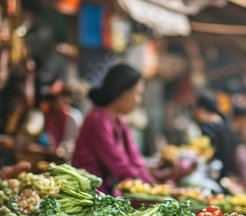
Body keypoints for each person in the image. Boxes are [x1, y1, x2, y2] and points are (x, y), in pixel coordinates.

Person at [72, 63, 172, 194]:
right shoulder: (97, 120)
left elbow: (136, 161)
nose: (139, 100)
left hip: (106, 193)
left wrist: (155, 187)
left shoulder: (119, 121)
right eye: (138, 94)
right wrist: (155, 190)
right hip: (88, 195)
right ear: (122, 92)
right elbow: (120, 167)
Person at [193, 91, 240, 182]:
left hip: (214, 178)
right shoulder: (225, 124)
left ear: (201, 108)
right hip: (229, 177)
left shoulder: (206, 128)